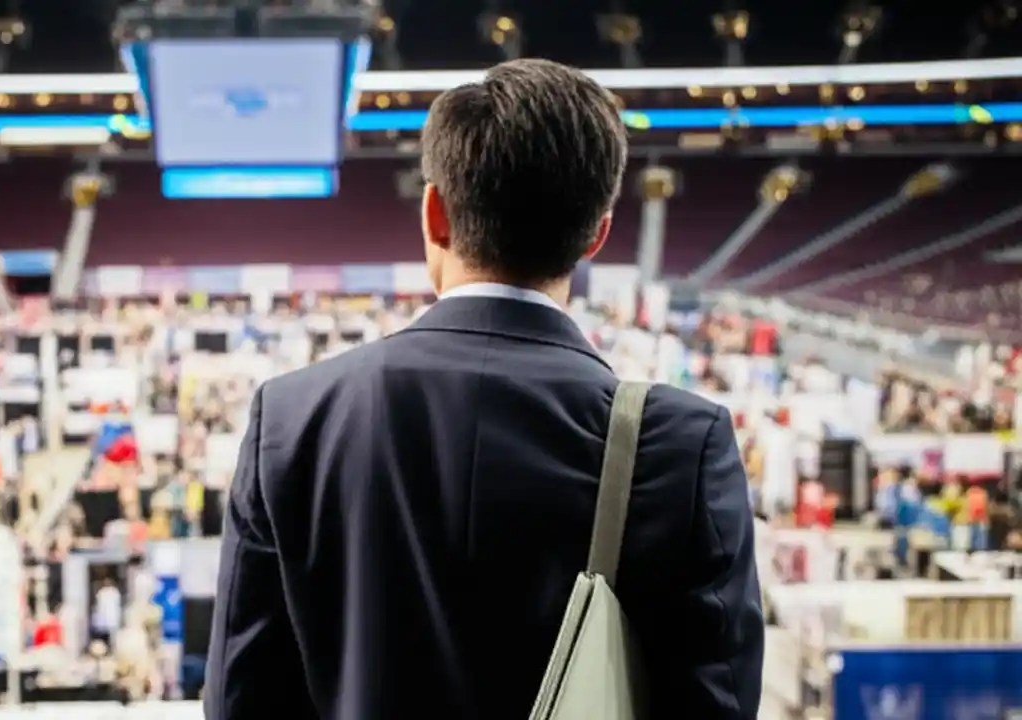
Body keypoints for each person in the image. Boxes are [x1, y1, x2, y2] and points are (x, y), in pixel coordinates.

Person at [204, 58, 763, 720]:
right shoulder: (681, 444)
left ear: (434, 213)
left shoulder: (294, 420)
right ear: (597, 234)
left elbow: (242, 702)